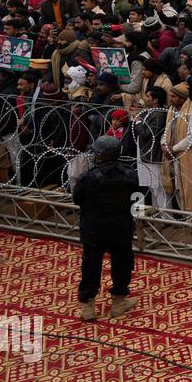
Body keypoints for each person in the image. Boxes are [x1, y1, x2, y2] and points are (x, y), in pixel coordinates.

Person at [73, 135, 140, 321]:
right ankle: (118, 303)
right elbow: (139, 200)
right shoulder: (130, 174)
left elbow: (77, 198)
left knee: (91, 265)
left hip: (94, 228)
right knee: (122, 263)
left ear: (99, 155)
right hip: (121, 227)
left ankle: (88, 306)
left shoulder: (89, 177)